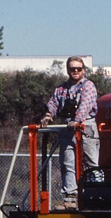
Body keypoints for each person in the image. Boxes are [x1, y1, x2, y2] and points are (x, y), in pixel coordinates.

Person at [41, 56, 99, 209]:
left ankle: (96, 196)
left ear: (83, 70)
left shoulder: (88, 86)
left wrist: (78, 120)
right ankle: (70, 199)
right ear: (67, 70)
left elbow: (85, 104)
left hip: (85, 126)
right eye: (72, 69)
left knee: (91, 162)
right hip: (67, 127)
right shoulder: (61, 89)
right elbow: (53, 102)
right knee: (67, 163)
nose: (75, 71)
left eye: (78, 69)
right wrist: (49, 115)